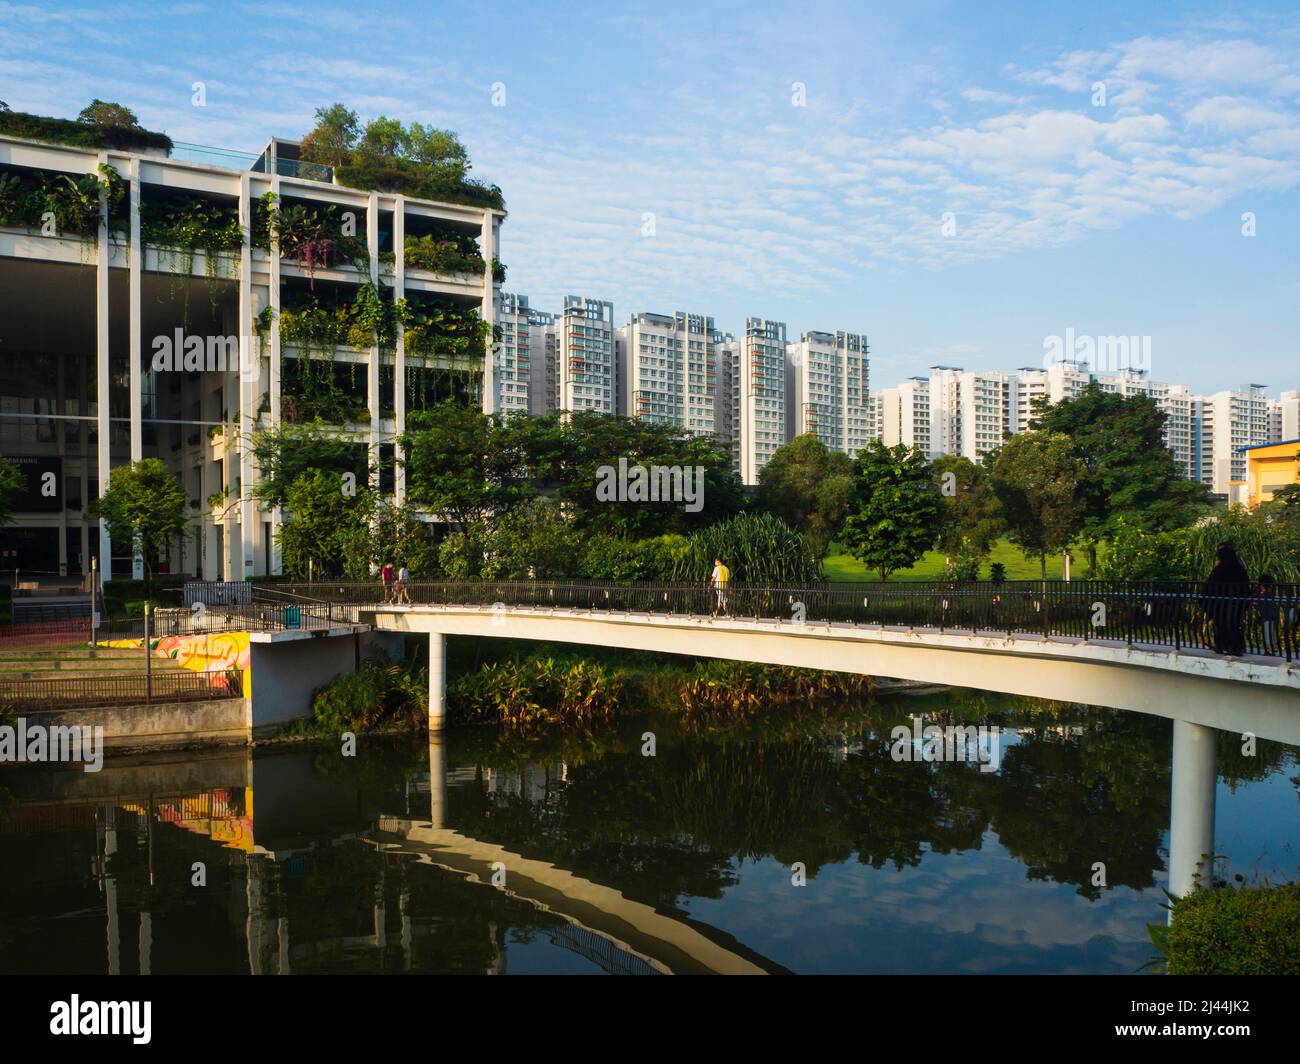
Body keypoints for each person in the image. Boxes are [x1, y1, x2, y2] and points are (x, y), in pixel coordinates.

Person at [1201, 542, 1249, 656]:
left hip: (1220, 605)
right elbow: (1246, 588)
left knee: (1221, 625)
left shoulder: (1218, 570)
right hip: (1236, 605)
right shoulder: (1239, 569)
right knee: (1234, 625)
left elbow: (1209, 587)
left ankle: (1221, 646)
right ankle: (1236, 647)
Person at [1256, 574, 1280, 656]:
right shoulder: (1270, 594)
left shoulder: (1263, 595)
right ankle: (1272, 647)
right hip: (1272, 616)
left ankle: (1270, 650)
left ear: (1261, 585)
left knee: (1267, 632)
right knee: (1271, 632)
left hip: (1267, 616)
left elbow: (1261, 606)